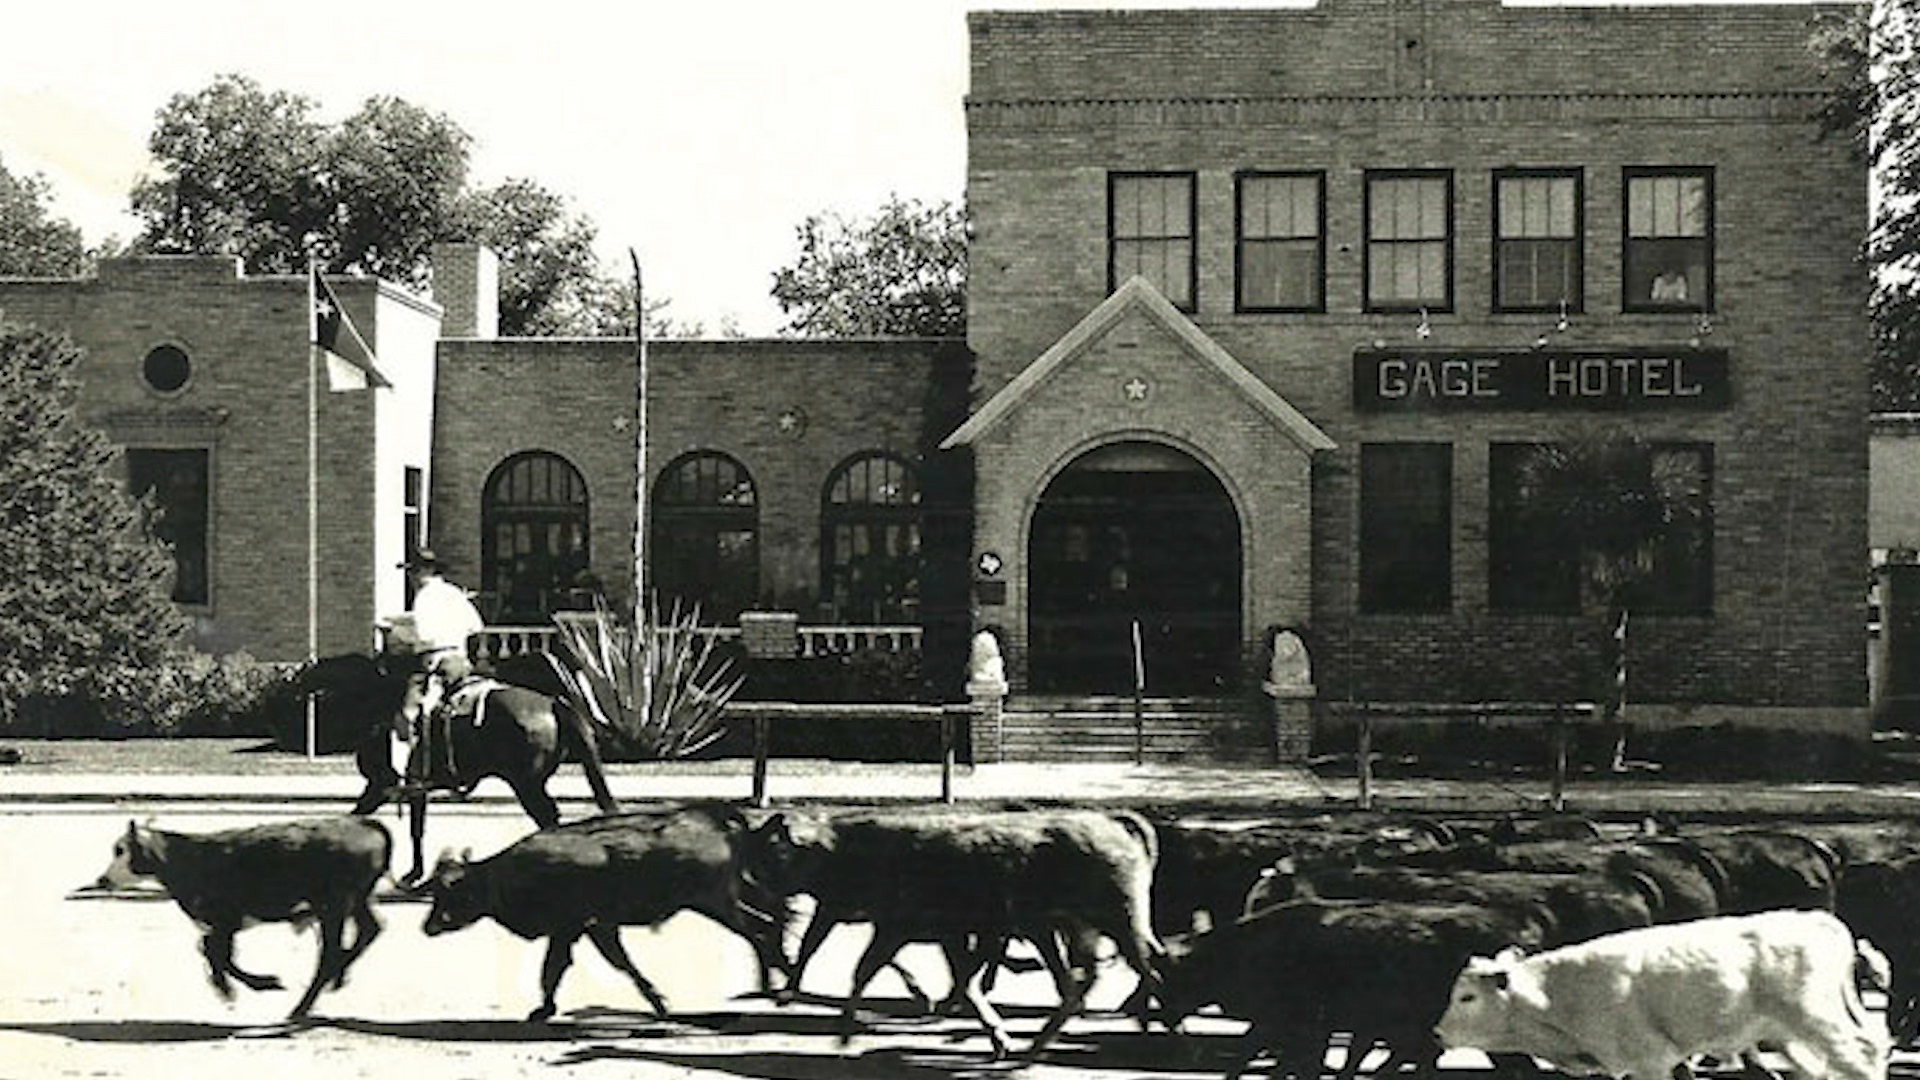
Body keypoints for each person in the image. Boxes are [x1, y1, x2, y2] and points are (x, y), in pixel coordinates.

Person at [387, 549, 485, 784]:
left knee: (409, 714)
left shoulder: (425, 596)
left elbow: (424, 634)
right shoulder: (454, 593)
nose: (412, 577)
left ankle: (412, 771)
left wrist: (397, 632)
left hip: (436, 661)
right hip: (461, 661)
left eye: (414, 571)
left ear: (426, 571)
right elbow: (475, 626)